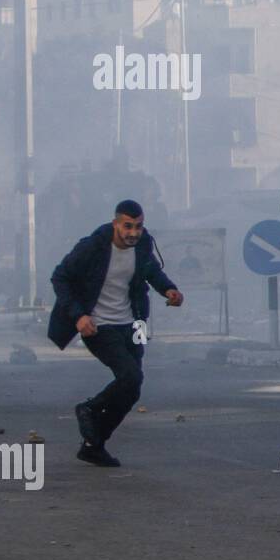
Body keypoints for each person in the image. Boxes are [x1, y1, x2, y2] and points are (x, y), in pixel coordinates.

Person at [48, 200, 183, 466]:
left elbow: (152, 272)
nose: (133, 233)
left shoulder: (143, 246)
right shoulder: (92, 246)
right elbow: (60, 277)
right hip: (98, 325)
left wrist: (169, 290)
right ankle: (89, 408)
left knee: (133, 388)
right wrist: (79, 316)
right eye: (128, 226)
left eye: (139, 227)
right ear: (116, 224)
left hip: (134, 324)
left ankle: (93, 445)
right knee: (129, 375)